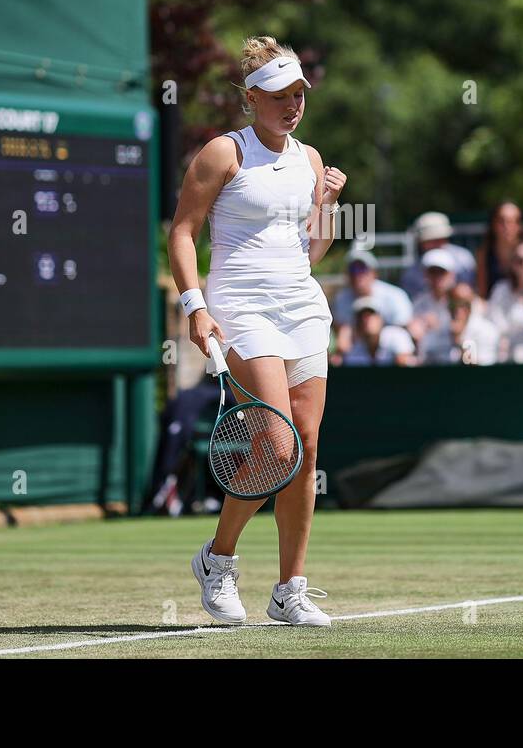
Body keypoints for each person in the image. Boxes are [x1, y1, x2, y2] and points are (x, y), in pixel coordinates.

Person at [168, 36, 346, 627]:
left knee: (307, 444)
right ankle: (218, 560)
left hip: (300, 304)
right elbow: (182, 233)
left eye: (299, 94)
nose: (292, 104)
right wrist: (195, 307)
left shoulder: (311, 159)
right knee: (277, 444)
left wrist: (328, 205)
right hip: (241, 307)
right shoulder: (223, 154)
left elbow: (313, 251)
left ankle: (289, 589)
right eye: (279, 95)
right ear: (251, 98)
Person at [330, 249, 413, 363]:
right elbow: (342, 335)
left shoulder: (395, 295)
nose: (357, 275)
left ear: (374, 273)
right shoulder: (341, 299)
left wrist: (374, 335)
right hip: (359, 349)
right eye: (353, 270)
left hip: (390, 350)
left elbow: (406, 329)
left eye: (362, 269)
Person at [421, 281, 500, 365]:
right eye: (453, 304)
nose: (458, 310)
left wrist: (459, 341)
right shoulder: (439, 331)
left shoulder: (487, 331)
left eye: (463, 305)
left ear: (471, 305)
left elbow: (482, 372)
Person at [342, 299, 417, 366]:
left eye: (370, 315)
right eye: (361, 317)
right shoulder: (355, 351)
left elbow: (404, 362)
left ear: (380, 319)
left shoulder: (396, 335)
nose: (366, 320)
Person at [475, 199, 523, 298]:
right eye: (502, 221)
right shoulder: (484, 253)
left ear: (519, 225)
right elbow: (482, 293)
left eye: (512, 221)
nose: (507, 227)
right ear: (493, 224)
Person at [408, 249, 456, 347]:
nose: (437, 277)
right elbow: (414, 332)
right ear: (426, 275)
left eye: (441, 272)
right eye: (433, 272)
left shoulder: (463, 299)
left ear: (452, 274)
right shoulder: (419, 303)